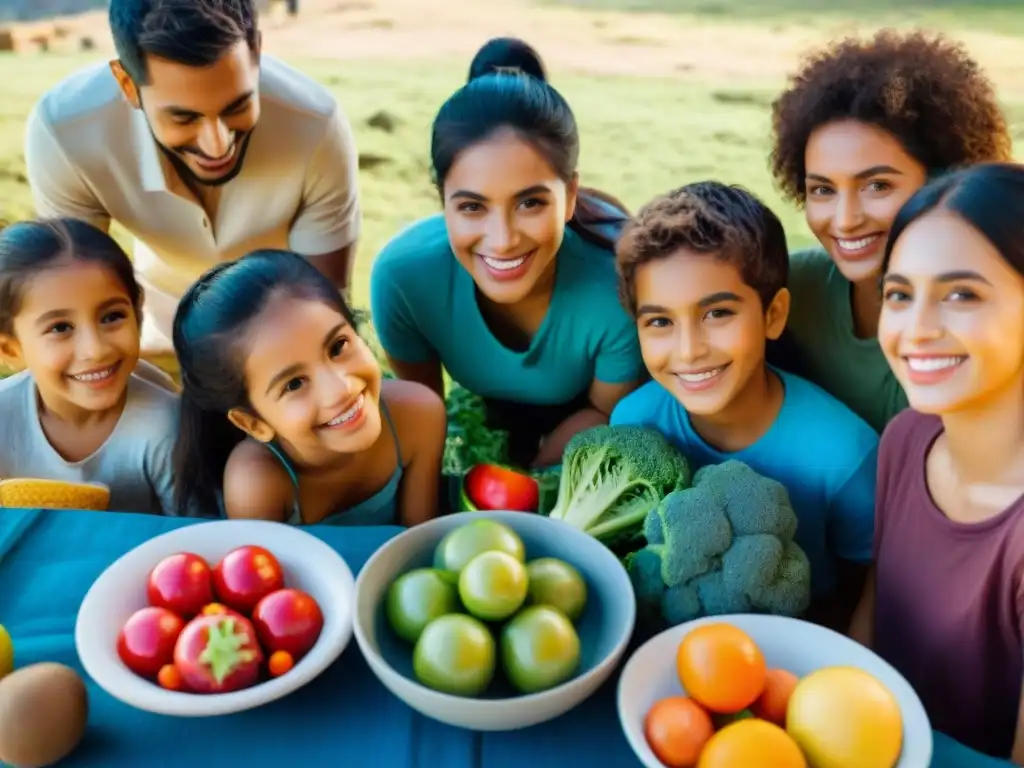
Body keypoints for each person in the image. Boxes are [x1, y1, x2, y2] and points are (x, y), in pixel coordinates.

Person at [23, 0, 361, 372]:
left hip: (283, 326)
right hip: (157, 323)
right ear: (128, 86)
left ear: (257, 54)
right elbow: (76, 300)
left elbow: (323, 314)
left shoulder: (316, 126)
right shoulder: (65, 133)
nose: (217, 145)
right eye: (184, 117)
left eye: (237, 107)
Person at [610, 182, 878, 624]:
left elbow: (874, 583)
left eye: (717, 314)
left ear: (773, 315)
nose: (689, 350)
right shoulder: (634, 423)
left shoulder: (845, 456)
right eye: (660, 321)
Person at [369, 37, 644, 469]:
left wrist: (526, 487)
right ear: (442, 200)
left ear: (570, 196)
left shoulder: (620, 284)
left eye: (530, 203)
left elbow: (607, 413)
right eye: (472, 207)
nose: (502, 240)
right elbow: (424, 414)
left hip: (584, 428)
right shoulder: (402, 279)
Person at [849, 163, 1024, 763]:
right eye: (898, 294)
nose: (915, 329)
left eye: (961, 294)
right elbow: (872, 627)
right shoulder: (905, 438)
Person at [767, 29, 1012, 433]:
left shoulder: (992, 308)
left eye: (877, 186)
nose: (845, 220)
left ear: (944, 180)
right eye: (823, 189)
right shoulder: (795, 290)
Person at [172, 249, 446, 527]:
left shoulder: (419, 416)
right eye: (294, 384)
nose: (340, 389)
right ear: (254, 423)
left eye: (338, 346)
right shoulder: (257, 484)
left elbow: (417, 543)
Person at [0, 218, 179, 515]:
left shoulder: (166, 427)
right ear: (10, 348)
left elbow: (200, 536)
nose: (95, 350)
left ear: (137, 311)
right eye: (60, 328)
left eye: (111, 317)